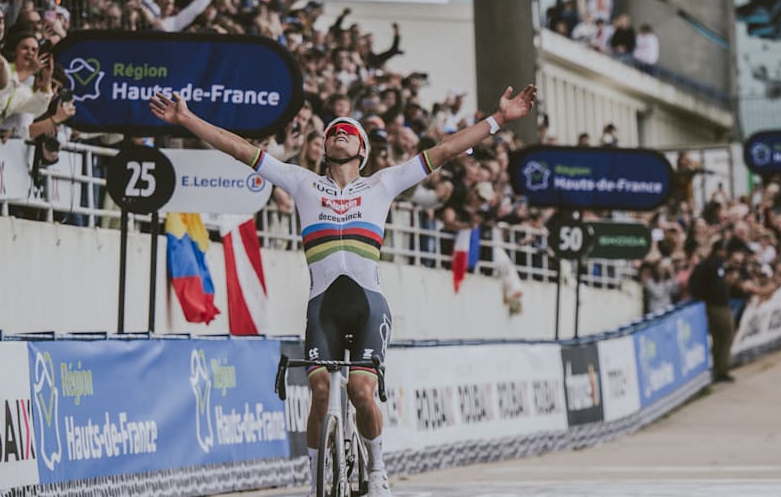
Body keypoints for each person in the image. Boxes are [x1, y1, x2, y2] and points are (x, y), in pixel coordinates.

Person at [150, 84, 538, 497]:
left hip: (368, 305)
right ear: (322, 149)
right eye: (333, 129)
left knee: (359, 389)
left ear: (362, 150)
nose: (338, 131)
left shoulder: (382, 185)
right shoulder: (301, 183)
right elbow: (239, 149)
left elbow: (445, 150)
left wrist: (499, 120)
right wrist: (186, 119)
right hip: (323, 306)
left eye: (347, 130)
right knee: (319, 389)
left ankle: (377, 469)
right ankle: (316, 478)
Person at [688, 239, 736, 382]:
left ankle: (720, 368)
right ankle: (722, 369)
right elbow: (715, 286)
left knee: (720, 338)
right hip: (718, 306)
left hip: (714, 305)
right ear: (720, 251)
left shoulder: (710, 265)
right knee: (725, 336)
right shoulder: (714, 264)